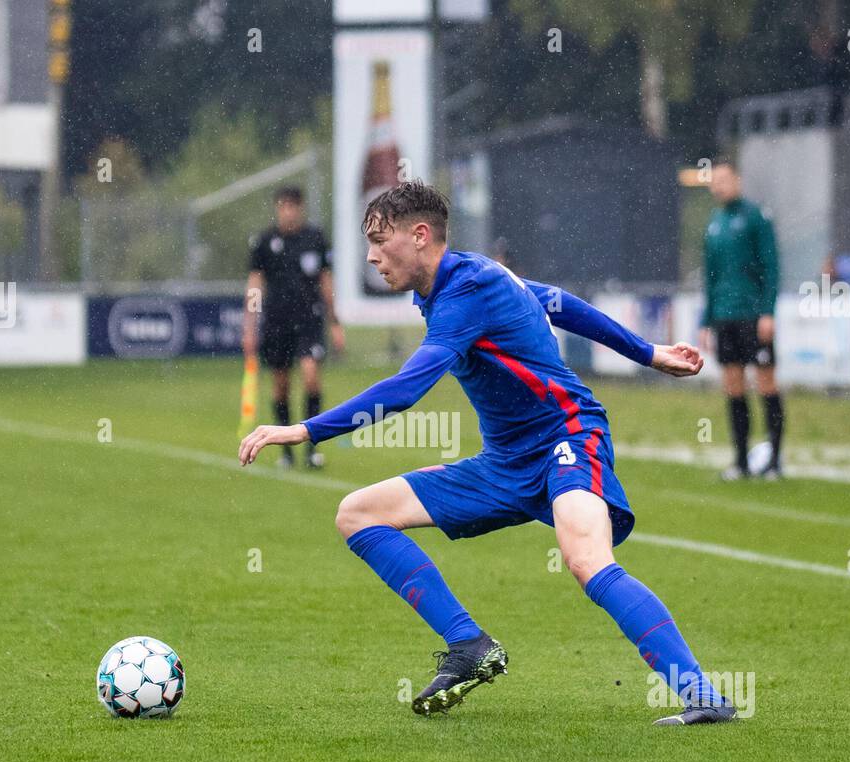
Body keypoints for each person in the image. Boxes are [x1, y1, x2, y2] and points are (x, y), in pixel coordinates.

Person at [239, 181, 738, 726]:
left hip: (567, 438)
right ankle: (469, 646)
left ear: (420, 235)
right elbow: (556, 302)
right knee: (357, 514)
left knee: (586, 560)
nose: (371, 256)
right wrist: (647, 352)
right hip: (503, 463)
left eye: (380, 241)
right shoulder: (465, 279)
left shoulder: (466, 291)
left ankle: (704, 696)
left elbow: (406, 389)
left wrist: (304, 430)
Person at [243, 185, 344, 469]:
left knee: (311, 376)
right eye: (283, 205)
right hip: (277, 324)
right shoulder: (264, 242)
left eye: (293, 206)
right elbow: (254, 285)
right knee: (281, 387)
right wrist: (249, 326)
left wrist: (335, 322)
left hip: (309, 320)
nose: (288, 211)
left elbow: (326, 281)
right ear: (277, 208)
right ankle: (286, 451)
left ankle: (312, 448)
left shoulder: (314, 238)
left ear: (300, 208)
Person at [699, 157, 784, 481]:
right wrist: (706, 321)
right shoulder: (714, 223)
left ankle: (775, 460)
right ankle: (741, 462)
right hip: (724, 316)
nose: (718, 185)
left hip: (753, 314)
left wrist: (768, 311)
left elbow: (771, 266)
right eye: (714, 181)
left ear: (737, 181)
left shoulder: (756, 218)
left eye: (724, 179)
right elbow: (710, 275)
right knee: (733, 385)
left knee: (766, 382)